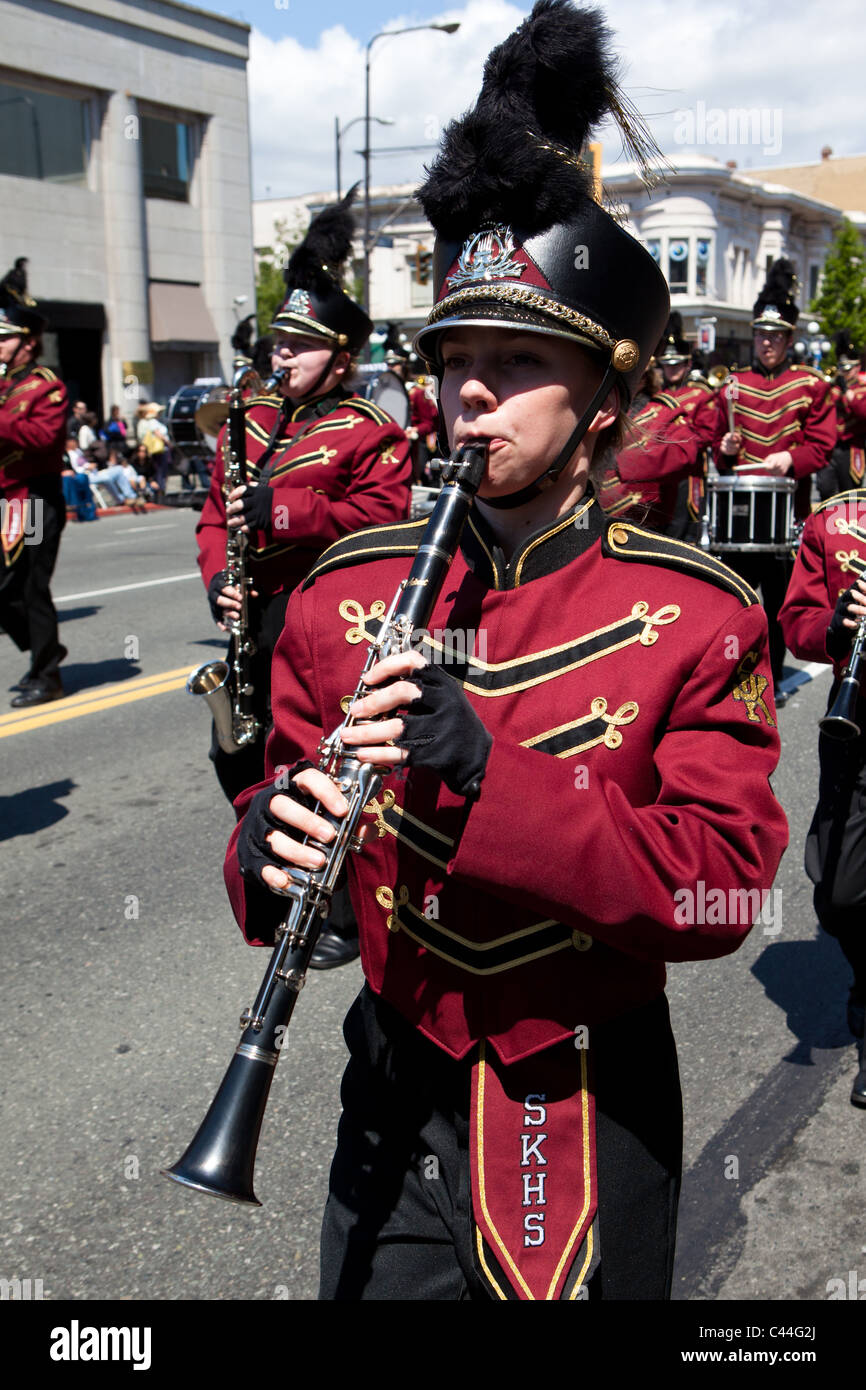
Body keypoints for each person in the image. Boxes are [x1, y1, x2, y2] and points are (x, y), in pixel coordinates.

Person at [221, 0, 788, 1300]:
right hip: (390, 1068)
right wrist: (262, 850)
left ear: (604, 396)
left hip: (579, 1082)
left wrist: (493, 775)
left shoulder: (701, 614)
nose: (468, 390)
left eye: (515, 361)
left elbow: (718, 893)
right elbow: (287, 801)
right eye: (451, 357)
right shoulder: (340, 593)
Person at [197, 188, 412, 968]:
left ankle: (348, 898)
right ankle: (288, 874)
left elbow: (380, 519)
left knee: (316, 758)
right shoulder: (246, 419)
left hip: (323, 615)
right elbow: (214, 516)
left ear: (341, 357)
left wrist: (284, 512)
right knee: (236, 755)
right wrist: (221, 574)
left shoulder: (372, 432)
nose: (279, 354)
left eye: (299, 343)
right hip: (251, 615)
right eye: (279, 340)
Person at [710, 259, 836, 702]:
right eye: (762, 335)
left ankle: (777, 677)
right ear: (754, 336)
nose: (768, 344)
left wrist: (791, 457)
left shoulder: (810, 385)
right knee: (735, 601)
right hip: (741, 514)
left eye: (776, 337)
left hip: (788, 516)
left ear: (789, 339)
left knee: (781, 607)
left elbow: (822, 444)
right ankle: (735, 673)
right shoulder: (732, 386)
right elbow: (711, 441)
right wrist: (722, 450)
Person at [779, 489, 866, 1106]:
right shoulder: (833, 522)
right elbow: (796, 625)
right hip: (857, 729)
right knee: (838, 893)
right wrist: (836, 627)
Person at [0, 302, 69, 706]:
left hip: (34, 499)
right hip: (7, 498)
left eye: (5, 337)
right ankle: (45, 649)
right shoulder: (4, 384)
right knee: (5, 590)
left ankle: (48, 675)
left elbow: (44, 439)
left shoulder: (47, 385)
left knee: (31, 587)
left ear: (28, 342)